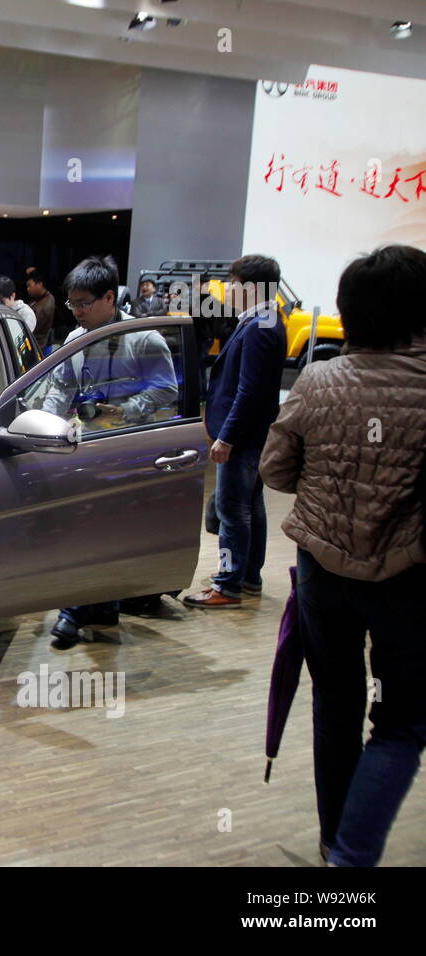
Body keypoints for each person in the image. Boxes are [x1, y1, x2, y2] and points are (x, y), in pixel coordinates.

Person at [260, 244, 426, 867]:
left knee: (335, 705)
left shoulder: (319, 379)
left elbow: (276, 470)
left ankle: (335, 842)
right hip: (408, 583)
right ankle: (350, 859)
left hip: (322, 572)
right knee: (401, 723)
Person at [42, 255, 177, 649]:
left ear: (109, 298)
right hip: (85, 446)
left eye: (84, 303)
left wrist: (126, 410)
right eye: (72, 304)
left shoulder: (144, 338)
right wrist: (46, 430)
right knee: (85, 529)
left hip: (128, 448)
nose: (77, 311)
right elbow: (59, 388)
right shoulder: (74, 339)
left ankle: (80, 609)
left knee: (108, 532)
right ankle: (93, 607)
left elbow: (167, 389)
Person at [184, 255, 288, 608]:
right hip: (252, 435)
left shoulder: (260, 327)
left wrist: (226, 436)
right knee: (250, 506)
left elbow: (249, 391)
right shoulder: (264, 320)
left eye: (233, 282)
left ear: (252, 288)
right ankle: (248, 576)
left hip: (242, 438)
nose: (227, 288)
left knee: (232, 512)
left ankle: (227, 585)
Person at [25, 267, 57, 354]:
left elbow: (30, 328)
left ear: (39, 284)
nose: (28, 289)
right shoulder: (39, 297)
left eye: (29, 286)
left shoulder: (45, 305)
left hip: (38, 348)